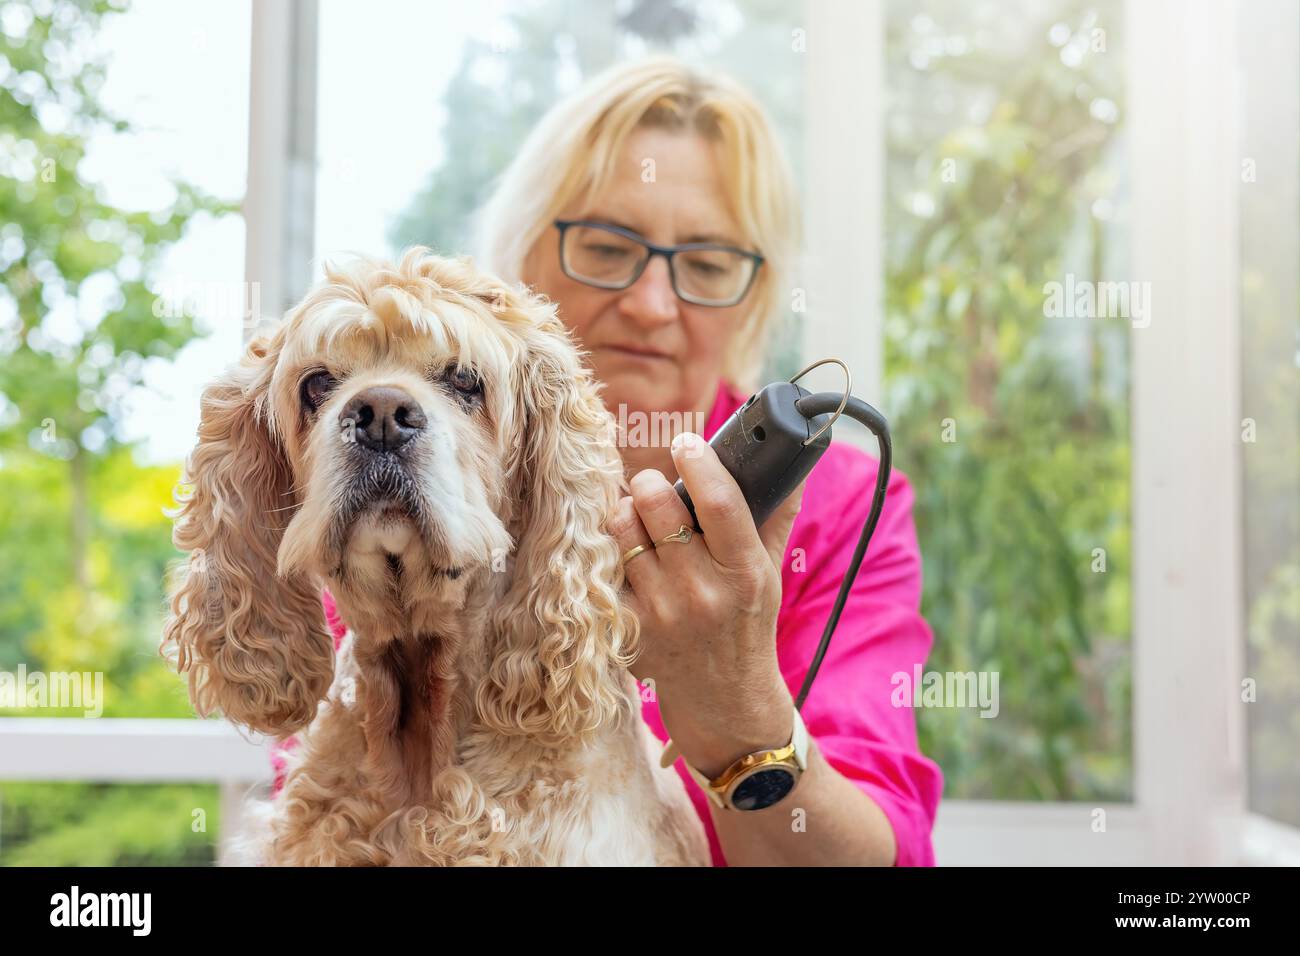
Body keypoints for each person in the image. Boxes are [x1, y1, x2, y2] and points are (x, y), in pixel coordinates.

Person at [280, 55, 943, 866]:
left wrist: (737, 719)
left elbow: (883, 851)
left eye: (705, 265)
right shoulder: (412, 473)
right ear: (520, 263)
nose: (652, 304)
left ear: (752, 297)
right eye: (605, 246)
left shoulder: (835, 504)